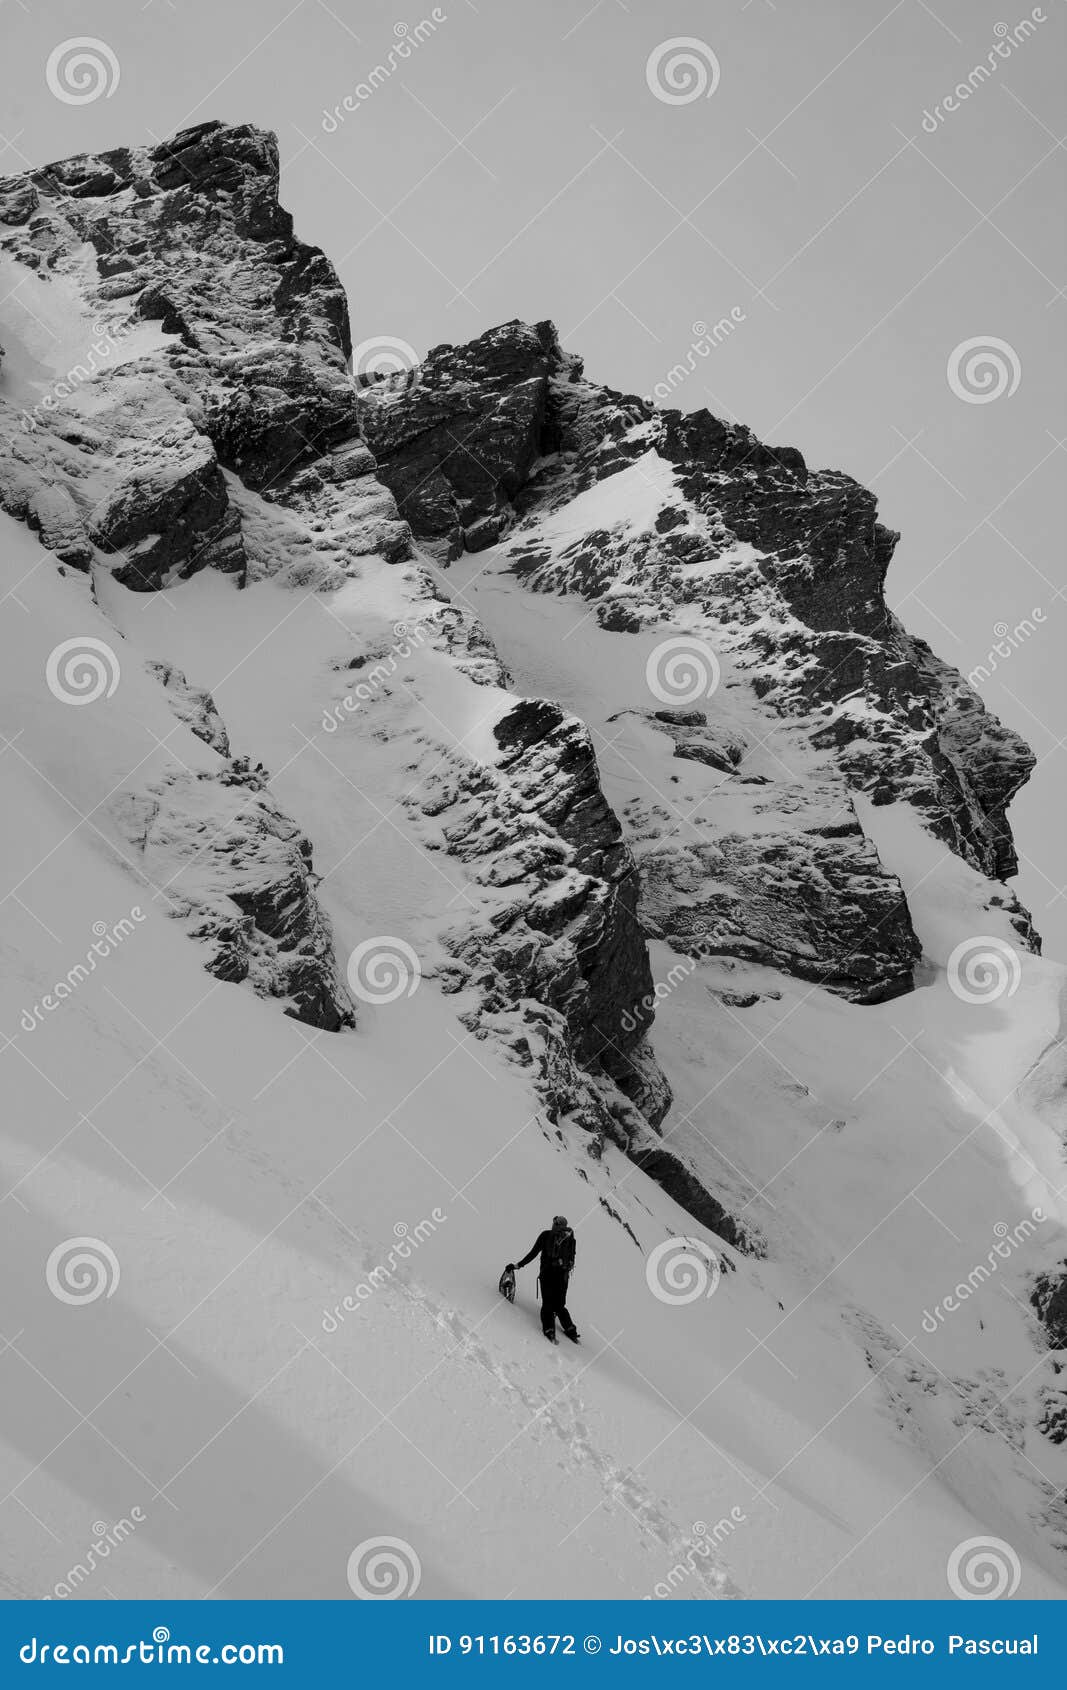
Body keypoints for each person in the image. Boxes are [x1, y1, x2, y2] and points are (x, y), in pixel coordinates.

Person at [507, 1216, 579, 1344]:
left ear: (555, 1224)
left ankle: (549, 1330)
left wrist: (518, 1265)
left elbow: (533, 1253)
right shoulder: (570, 1240)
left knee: (548, 1304)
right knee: (560, 1305)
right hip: (563, 1277)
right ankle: (570, 1329)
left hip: (547, 1274)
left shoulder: (546, 1235)